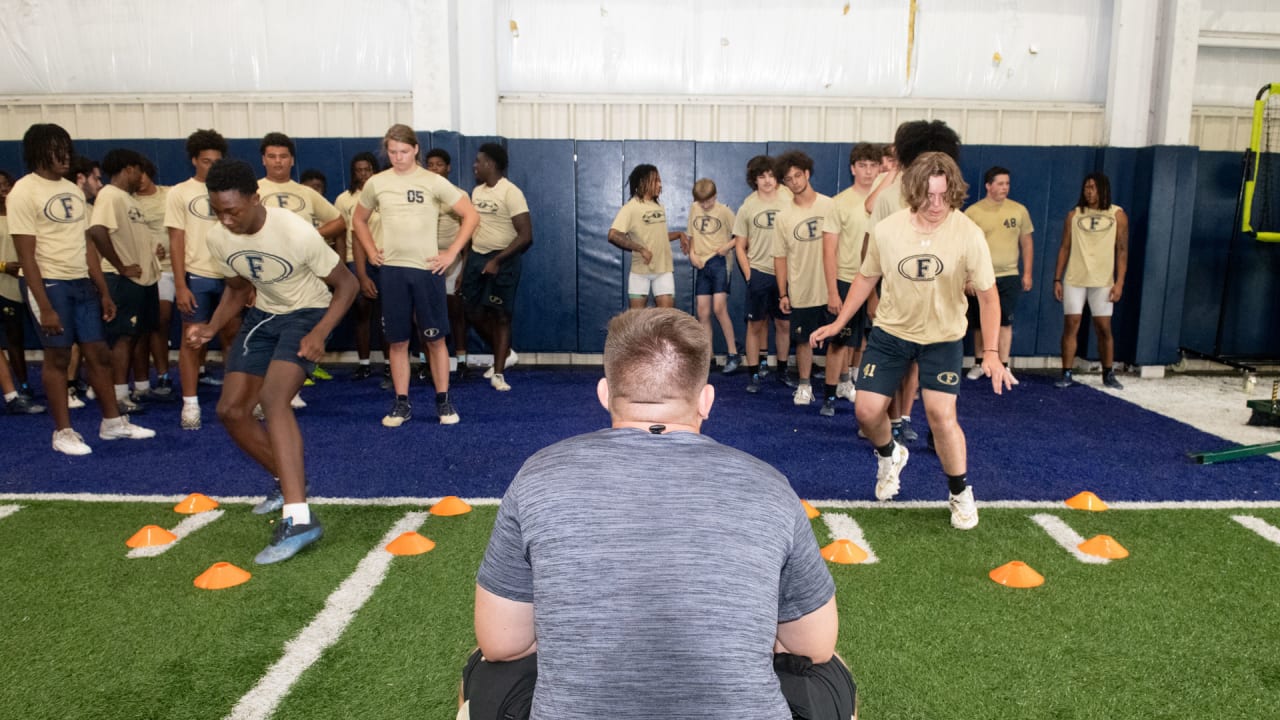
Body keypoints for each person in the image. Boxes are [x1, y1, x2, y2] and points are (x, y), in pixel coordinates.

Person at [464, 307, 857, 720]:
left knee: (483, 670)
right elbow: (813, 646)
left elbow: (500, 643)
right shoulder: (771, 485)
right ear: (706, 401)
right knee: (831, 669)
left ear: (604, 394)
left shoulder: (537, 475)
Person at [812, 152, 1017, 530]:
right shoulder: (888, 230)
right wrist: (838, 322)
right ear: (912, 193)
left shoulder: (968, 233)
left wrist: (991, 352)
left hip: (943, 338)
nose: (936, 204)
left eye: (944, 195)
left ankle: (960, 493)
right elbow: (865, 278)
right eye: (928, 195)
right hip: (892, 333)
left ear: (953, 192)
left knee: (941, 416)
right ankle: (890, 454)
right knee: (866, 412)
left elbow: (989, 296)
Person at [185, 158, 357, 564]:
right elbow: (238, 287)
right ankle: (287, 481)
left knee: (274, 398)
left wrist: (319, 333)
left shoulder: (295, 233)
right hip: (264, 315)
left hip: (309, 313)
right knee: (230, 410)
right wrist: (211, 327)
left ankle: (299, 518)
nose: (226, 219)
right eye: (218, 211)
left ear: (255, 199)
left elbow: (346, 285)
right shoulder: (219, 237)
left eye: (234, 210)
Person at [9, 123, 155, 454]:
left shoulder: (74, 190)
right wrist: (44, 305)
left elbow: (86, 244)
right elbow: (26, 255)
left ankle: (112, 423)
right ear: (38, 151)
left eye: (67, 148)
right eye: (56, 149)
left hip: (82, 283)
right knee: (58, 357)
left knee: (99, 355)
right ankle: (63, 432)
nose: (65, 156)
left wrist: (102, 289)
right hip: (50, 283)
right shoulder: (23, 191)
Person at [353, 124, 478, 427]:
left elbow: (471, 215)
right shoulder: (377, 183)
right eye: (393, 152)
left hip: (427, 271)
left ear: (415, 149)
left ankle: (443, 401)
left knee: (434, 339)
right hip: (393, 271)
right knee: (397, 341)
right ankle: (401, 404)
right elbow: (358, 219)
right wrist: (370, 250)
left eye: (404, 152)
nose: (398, 157)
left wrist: (450, 253)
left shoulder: (433, 181)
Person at [867, 121, 962, 444]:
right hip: (897, 289)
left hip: (939, 294)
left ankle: (929, 424)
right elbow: (873, 248)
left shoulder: (946, 194)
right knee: (896, 361)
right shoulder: (890, 194)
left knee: (934, 366)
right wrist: (871, 297)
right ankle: (888, 418)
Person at [259, 134, 345, 388]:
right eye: (272, 156)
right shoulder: (253, 190)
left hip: (302, 275)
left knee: (296, 328)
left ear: (292, 160)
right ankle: (264, 389)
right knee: (267, 330)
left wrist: (311, 236)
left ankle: (289, 387)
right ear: (263, 160)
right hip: (265, 274)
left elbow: (339, 221)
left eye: (283, 156)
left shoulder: (305, 192)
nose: (278, 162)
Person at [166, 128, 238, 430]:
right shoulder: (179, 193)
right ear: (194, 160)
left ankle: (238, 401)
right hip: (198, 277)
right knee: (192, 341)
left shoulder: (232, 190)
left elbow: (242, 235)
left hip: (231, 277)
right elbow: (176, 240)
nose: (212, 166)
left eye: (216, 161)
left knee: (234, 339)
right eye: (206, 161)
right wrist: (181, 285)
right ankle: (191, 405)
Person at [88, 148, 161, 414]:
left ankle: (139, 386)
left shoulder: (128, 199)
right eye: (139, 170)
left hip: (143, 279)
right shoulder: (109, 195)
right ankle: (118, 394)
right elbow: (97, 230)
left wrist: (153, 249)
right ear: (129, 168)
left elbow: (130, 235)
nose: (141, 177)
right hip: (125, 280)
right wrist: (120, 266)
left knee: (137, 336)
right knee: (123, 338)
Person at [465, 143, 532, 392]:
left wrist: (498, 260)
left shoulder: (511, 192)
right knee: (471, 310)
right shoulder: (476, 192)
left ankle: (499, 373)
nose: (475, 165)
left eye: (478, 161)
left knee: (501, 315)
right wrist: (466, 267)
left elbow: (525, 235)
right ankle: (505, 353)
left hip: (503, 260)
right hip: (476, 257)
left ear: (490, 164)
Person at [773, 151, 837, 410]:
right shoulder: (782, 216)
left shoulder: (829, 205)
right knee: (802, 340)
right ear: (785, 184)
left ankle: (840, 383)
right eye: (789, 179)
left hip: (832, 287)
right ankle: (804, 385)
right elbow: (779, 257)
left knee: (839, 342)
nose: (795, 182)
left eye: (798, 175)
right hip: (801, 288)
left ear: (807, 174)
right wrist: (783, 293)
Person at [821, 143, 881, 414]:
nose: (868, 171)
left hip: (881, 279)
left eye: (873, 165)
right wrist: (833, 291)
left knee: (867, 338)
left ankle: (851, 381)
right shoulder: (840, 202)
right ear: (853, 168)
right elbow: (829, 250)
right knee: (839, 339)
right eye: (863, 166)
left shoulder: (888, 200)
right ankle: (830, 395)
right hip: (848, 279)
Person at [1053, 172, 1128, 390]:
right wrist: (1057, 278)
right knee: (1071, 324)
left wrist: (1120, 282)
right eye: (1086, 187)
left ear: (1103, 189)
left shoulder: (1118, 214)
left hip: (1103, 281)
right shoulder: (1074, 215)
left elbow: (1122, 250)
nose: (1089, 191)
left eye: (1093, 187)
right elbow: (1064, 247)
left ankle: (1108, 372)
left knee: (1103, 327)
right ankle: (1066, 372)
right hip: (1075, 279)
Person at [733, 155, 796, 393]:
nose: (767, 181)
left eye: (771, 175)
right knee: (755, 326)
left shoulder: (789, 199)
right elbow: (740, 245)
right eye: (762, 176)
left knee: (783, 325)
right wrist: (750, 274)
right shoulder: (748, 206)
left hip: (787, 274)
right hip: (759, 272)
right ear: (755, 180)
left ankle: (781, 371)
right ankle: (753, 375)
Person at [963, 166, 1034, 378]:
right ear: (988, 186)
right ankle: (979, 363)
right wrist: (967, 278)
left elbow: (1027, 243)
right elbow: (965, 248)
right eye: (1000, 183)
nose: (1005, 188)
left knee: (1005, 321)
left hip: (1009, 275)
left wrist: (1027, 273)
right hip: (982, 276)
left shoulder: (1018, 210)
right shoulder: (973, 213)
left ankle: (1003, 365)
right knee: (978, 322)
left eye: (1007, 184)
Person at [608, 164, 691, 309]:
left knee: (667, 320)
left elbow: (657, 236)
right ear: (643, 182)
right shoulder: (630, 207)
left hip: (663, 270)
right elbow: (613, 235)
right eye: (656, 180)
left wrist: (679, 234)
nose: (660, 184)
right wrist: (640, 249)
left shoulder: (658, 206)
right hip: (640, 272)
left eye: (660, 180)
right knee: (636, 322)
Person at [424, 148, 476, 379]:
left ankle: (462, 360)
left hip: (452, 260)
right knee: (426, 314)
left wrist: (463, 267)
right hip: (425, 259)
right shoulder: (422, 193)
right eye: (430, 165)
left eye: (439, 164)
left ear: (448, 167)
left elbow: (468, 235)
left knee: (455, 311)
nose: (434, 168)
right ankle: (427, 361)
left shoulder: (459, 194)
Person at [334, 152, 383, 380]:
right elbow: (343, 234)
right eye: (359, 170)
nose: (363, 174)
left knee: (386, 315)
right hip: (357, 259)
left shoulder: (384, 194)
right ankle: (364, 363)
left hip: (384, 258)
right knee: (362, 312)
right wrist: (344, 267)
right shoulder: (344, 199)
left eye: (368, 169)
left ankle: (389, 364)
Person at [687, 178, 741, 374]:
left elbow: (741, 236)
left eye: (708, 202)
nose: (705, 205)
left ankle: (733, 353)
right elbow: (692, 235)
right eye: (702, 202)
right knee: (702, 312)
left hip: (719, 262)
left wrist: (726, 246)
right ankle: (708, 357)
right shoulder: (694, 209)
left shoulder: (724, 212)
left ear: (715, 196)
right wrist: (692, 254)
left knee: (719, 308)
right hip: (702, 264)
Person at [133, 158, 174, 398]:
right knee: (146, 325)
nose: (139, 180)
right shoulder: (128, 201)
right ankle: (148, 380)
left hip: (172, 267)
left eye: (142, 174)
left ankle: (164, 375)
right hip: (144, 270)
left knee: (163, 320)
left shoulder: (170, 194)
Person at [0, 169, 38, 402]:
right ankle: (16, 390)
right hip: (3, 285)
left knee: (19, 338)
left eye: (6, 184)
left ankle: (24, 384)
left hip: (26, 283)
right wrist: (4, 266)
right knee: (11, 339)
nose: (3, 189)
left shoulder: (22, 215)